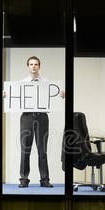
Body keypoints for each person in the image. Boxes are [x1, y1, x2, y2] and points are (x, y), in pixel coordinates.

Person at [15, 55, 64, 189]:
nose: (33, 66)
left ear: (39, 66)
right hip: (27, 117)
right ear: (27, 66)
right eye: (31, 64)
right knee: (25, 149)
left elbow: (54, 98)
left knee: (42, 150)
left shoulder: (47, 83)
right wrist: (6, 94)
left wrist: (61, 95)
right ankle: (24, 179)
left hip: (42, 117)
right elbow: (15, 99)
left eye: (36, 64)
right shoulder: (21, 83)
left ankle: (44, 180)